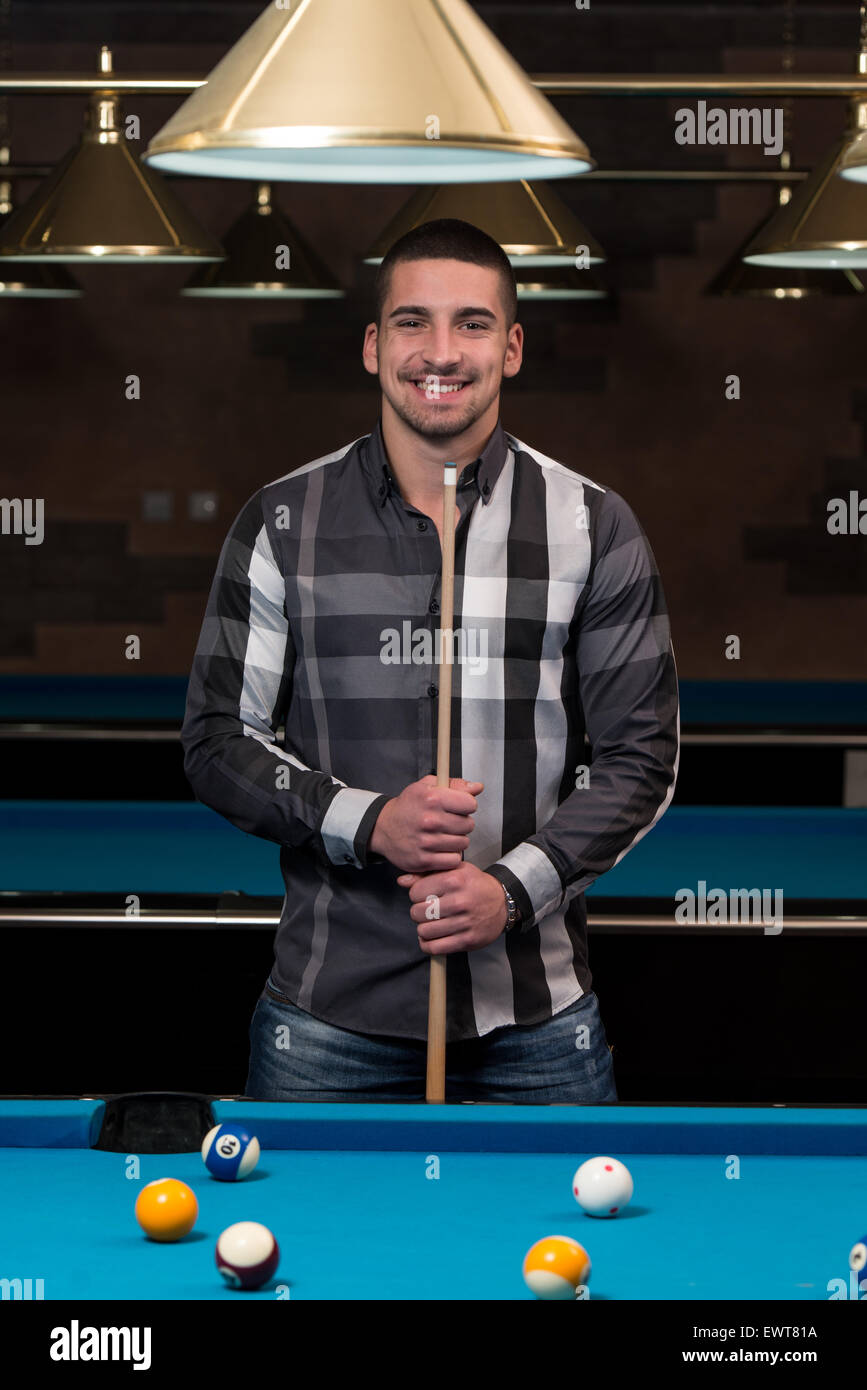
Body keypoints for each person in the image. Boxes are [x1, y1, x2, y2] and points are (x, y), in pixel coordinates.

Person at [181, 217, 679, 1103]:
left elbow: (642, 760)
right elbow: (218, 739)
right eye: (412, 322)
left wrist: (509, 891)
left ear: (512, 347)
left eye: (472, 323)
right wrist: (368, 822)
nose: (440, 351)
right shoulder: (281, 522)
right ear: (374, 347)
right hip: (323, 1026)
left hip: (539, 1032)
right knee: (315, 1249)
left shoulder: (592, 526)